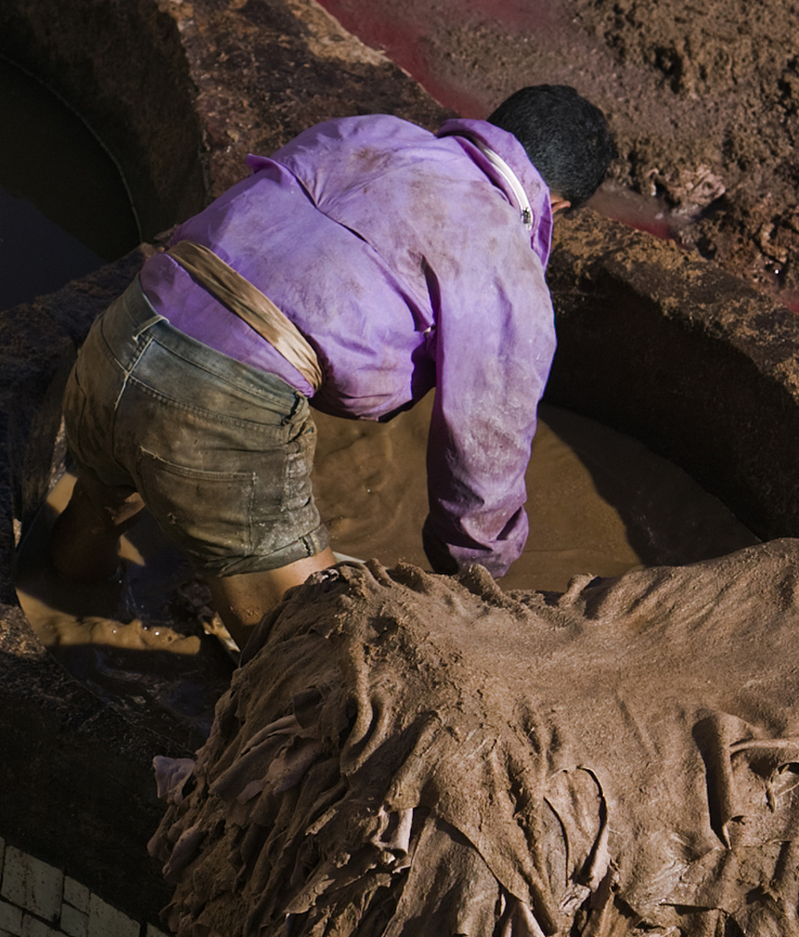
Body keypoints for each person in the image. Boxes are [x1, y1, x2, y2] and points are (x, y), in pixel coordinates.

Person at [47, 85, 616, 643]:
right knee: (318, 656)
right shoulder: (504, 258)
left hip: (128, 324)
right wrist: (471, 579)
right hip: (221, 401)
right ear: (556, 206)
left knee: (99, 500)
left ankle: (64, 612)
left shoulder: (368, 131)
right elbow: (484, 456)